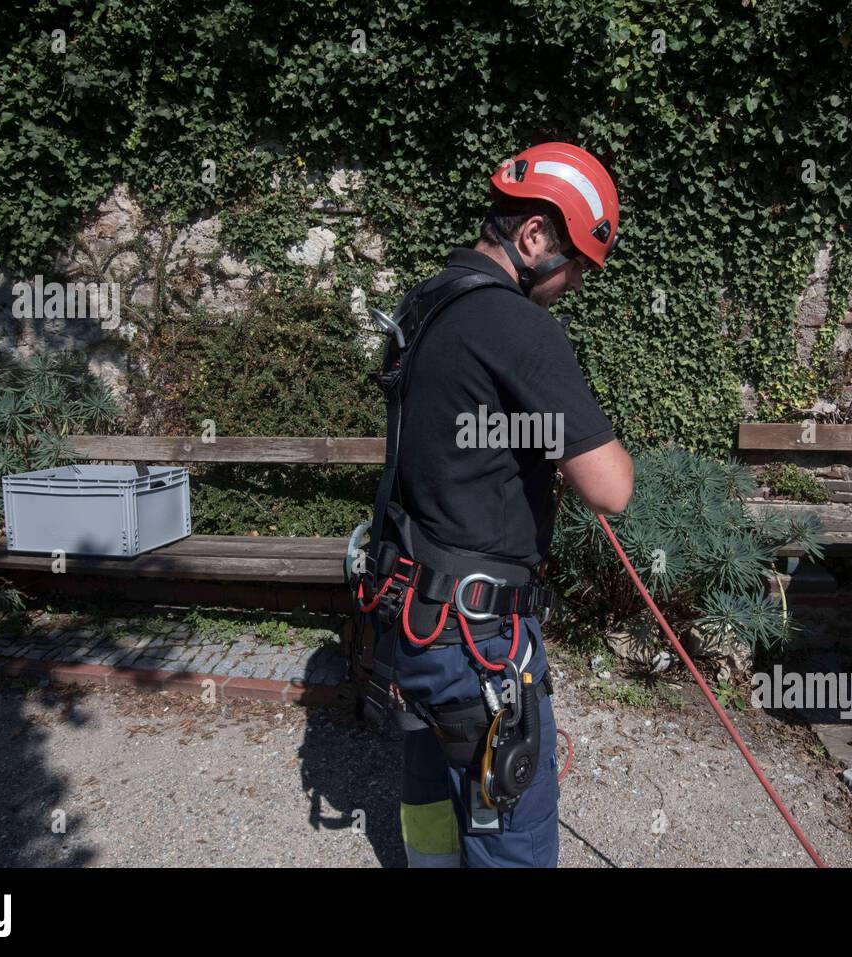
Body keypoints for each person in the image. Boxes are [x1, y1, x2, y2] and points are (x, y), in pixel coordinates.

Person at [357, 142, 633, 867]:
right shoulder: (516, 324)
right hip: (479, 642)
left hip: (408, 626)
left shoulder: (426, 304)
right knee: (510, 832)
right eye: (573, 265)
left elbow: (454, 432)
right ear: (535, 236)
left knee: (430, 812)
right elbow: (613, 487)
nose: (573, 283)